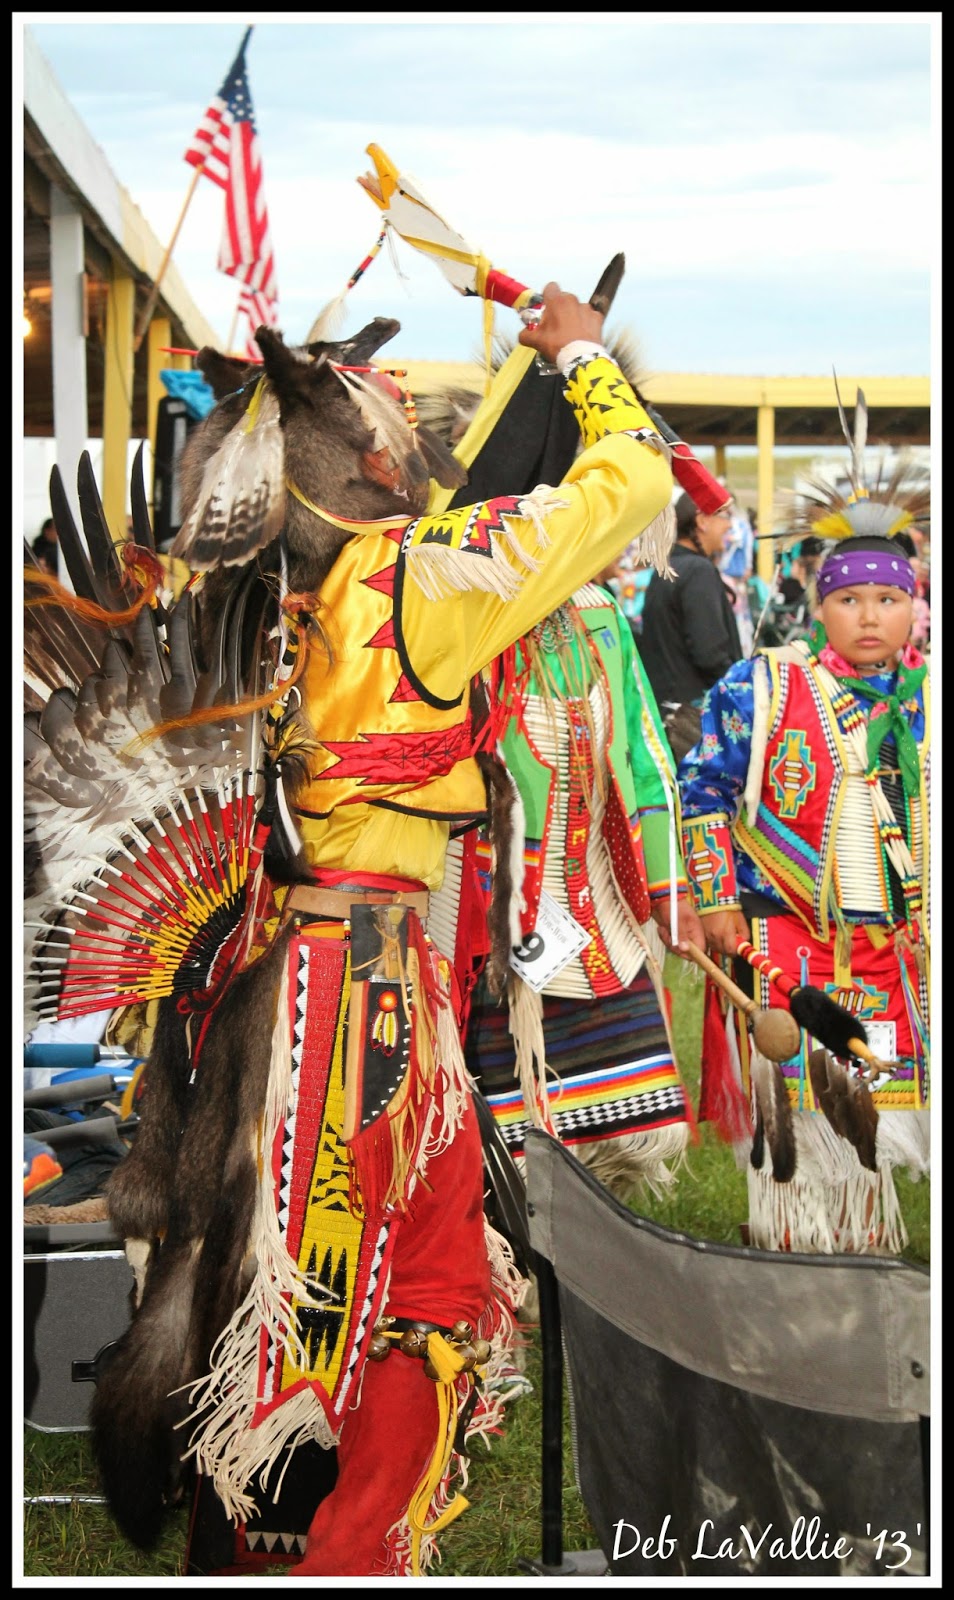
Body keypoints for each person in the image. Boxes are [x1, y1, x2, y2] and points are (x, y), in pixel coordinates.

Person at [34, 284, 676, 1577]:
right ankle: (332, 1554)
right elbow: (628, 482)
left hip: (270, 994)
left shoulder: (225, 606)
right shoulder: (420, 589)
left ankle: (314, 1542)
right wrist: (581, 358)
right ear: (370, 458)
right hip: (360, 1012)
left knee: (360, 1288)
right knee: (363, 1309)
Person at [677, 511, 929, 1255]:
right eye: (850, 600)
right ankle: (791, 1234)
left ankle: (860, 1232)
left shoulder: (923, 699)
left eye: (889, 599)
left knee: (870, 1093)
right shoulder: (765, 685)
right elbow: (704, 789)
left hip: (890, 943)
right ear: (819, 608)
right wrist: (716, 897)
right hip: (784, 932)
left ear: (915, 607)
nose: (870, 616)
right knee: (794, 1100)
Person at [462, 575, 706, 1203]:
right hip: (495, 903)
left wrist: (669, 886)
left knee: (619, 1132)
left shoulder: (599, 612)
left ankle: (587, 1253)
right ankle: (508, 1257)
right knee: (499, 1139)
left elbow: (647, 756)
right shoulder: (458, 606)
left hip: (598, 900)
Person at [639, 490, 744, 762]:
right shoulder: (698, 571)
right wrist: (743, 690)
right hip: (694, 720)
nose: (730, 525)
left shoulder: (668, 567)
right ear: (702, 520)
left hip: (667, 713)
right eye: (724, 516)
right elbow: (710, 653)